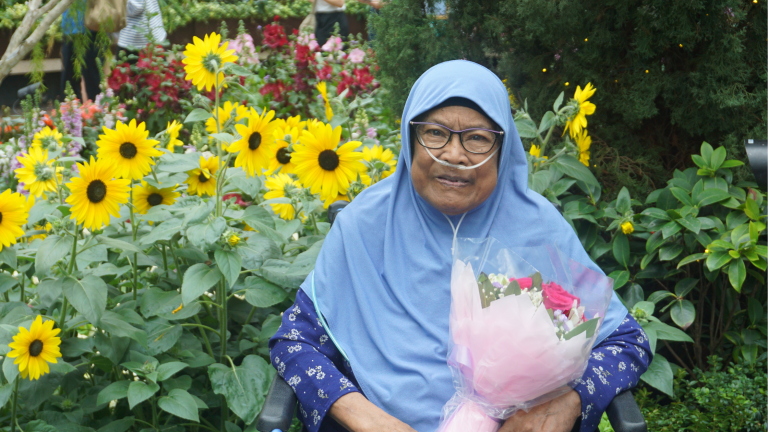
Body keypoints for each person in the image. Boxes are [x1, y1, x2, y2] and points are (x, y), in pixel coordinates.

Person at [270, 60, 652, 432]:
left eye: (477, 138)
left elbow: (626, 343)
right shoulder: (365, 225)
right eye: (435, 133)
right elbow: (294, 343)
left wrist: (567, 403)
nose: (454, 155)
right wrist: (368, 419)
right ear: (409, 137)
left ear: (503, 149)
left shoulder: (539, 228)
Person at [61, 0, 103, 101]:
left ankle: (96, 113)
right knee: (69, 80)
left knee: (93, 78)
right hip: (70, 27)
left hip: (92, 26)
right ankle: (71, 113)